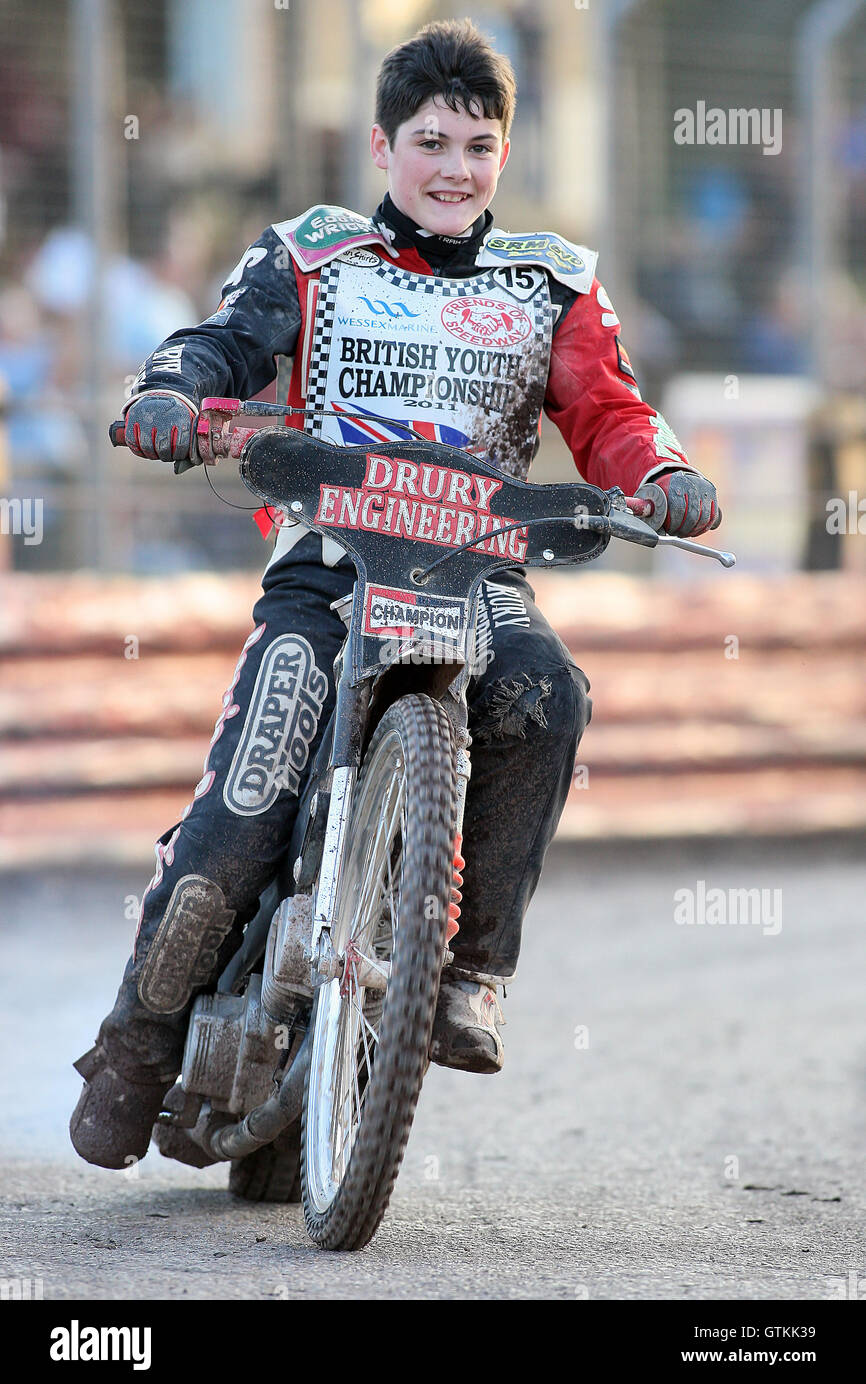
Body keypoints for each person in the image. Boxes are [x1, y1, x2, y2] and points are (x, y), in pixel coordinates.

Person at [70, 18, 721, 1170]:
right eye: (429, 141)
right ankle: (132, 1044)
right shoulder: (313, 255)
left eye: (477, 145)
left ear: (501, 155)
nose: (453, 167)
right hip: (329, 567)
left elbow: (608, 411)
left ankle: (469, 972)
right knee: (237, 814)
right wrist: (172, 391)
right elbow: (220, 345)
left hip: (477, 574)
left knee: (548, 696)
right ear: (382, 145)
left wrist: (660, 473)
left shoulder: (552, 280)